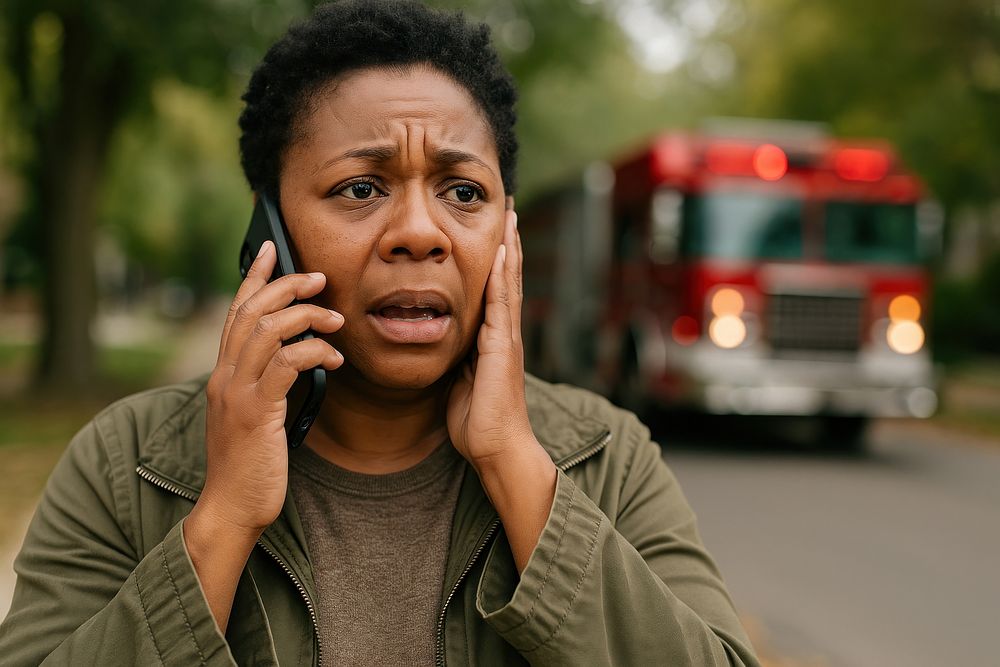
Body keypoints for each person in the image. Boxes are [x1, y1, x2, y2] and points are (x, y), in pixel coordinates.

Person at [0, 1, 761, 665]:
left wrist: (517, 467)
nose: (420, 233)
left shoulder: (606, 457)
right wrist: (224, 515)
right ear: (269, 232)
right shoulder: (126, 464)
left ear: (507, 235)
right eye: (360, 188)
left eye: (464, 192)